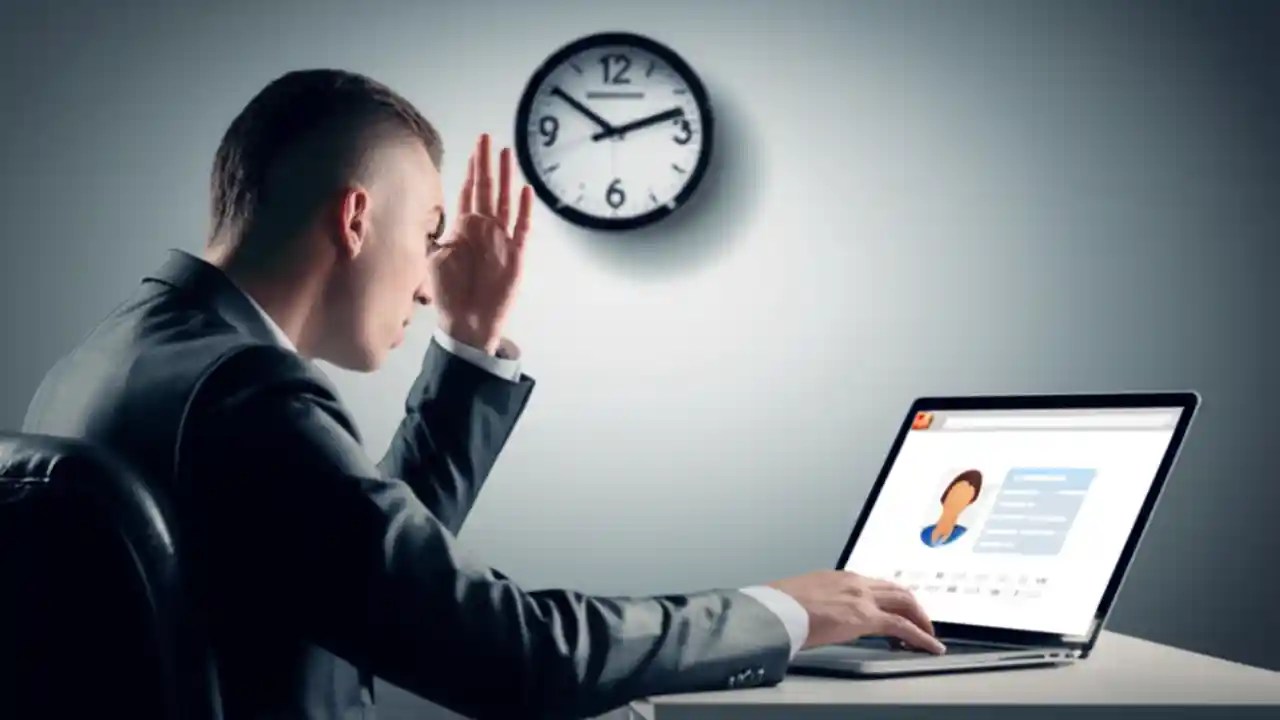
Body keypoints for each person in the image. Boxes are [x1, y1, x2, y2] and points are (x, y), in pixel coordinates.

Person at [22, 69, 943, 720]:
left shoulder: (116, 357)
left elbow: (369, 575)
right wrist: (781, 612)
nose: (427, 283)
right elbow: (516, 658)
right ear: (354, 219)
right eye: (427, 234)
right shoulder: (243, 394)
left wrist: (466, 347)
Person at [921, 469, 984, 547]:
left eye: (964, 497)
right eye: (956, 493)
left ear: (969, 503)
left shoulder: (963, 531)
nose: (958, 498)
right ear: (947, 495)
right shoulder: (925, 531)